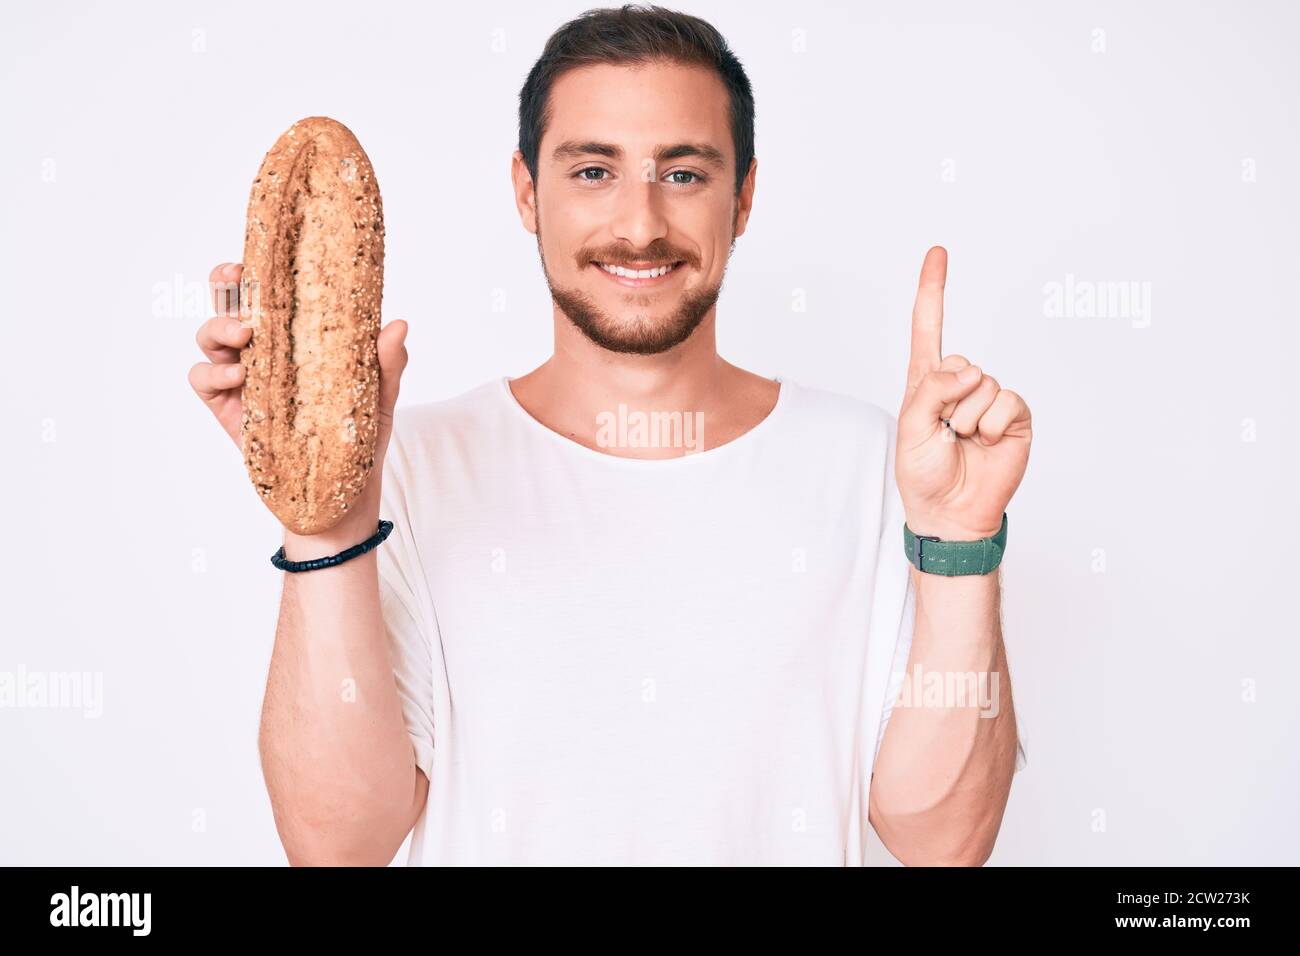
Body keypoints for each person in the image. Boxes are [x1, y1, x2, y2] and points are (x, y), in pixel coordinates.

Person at [190, 4, 1031, 866]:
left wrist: (960, 543)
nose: (639, 224)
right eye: (593, 171)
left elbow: (944, 843)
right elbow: (337, 846)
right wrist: (325, 518)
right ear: (526, 191)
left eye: (685, 174)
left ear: (743, 196)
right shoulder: (411, 469)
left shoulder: (876, 470)